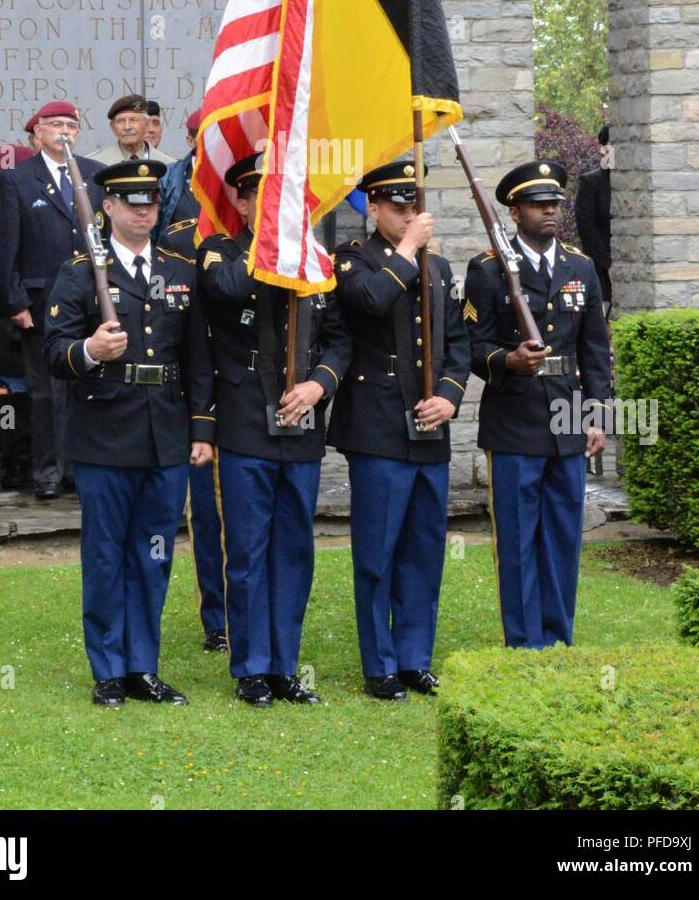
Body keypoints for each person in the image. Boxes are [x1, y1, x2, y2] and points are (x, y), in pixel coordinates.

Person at [42, 159, 215, 708]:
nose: (144, 211)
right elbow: (52, 352)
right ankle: (109, 669)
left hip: (165, 432)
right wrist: (91, 350)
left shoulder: (179, 269)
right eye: (132, 203)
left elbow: (197, 358)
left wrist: (201, 428)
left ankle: (144, 666)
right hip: (105, 433)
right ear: (109, 208)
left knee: (155, 553)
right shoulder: (78, 272)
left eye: (151, 203)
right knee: (106, 554)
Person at [198, 153, 352, 707]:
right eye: (257, 194)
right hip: (244, 425)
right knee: (246, 550)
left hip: (302, 425)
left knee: (293, 548)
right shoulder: (220, 250)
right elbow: (226, 291)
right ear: (240, 202)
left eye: (281, 193)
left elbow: (338, 339)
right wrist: (272, 241)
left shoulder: (316, 260)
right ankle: (251, 667)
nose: (269, 202)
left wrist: (318, 385)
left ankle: (285, 664)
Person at [330, 160, 471, 701]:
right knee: (378, 551)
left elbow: (457, 341)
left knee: (423, 548)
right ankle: (380, 664)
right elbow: (369, 301)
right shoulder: (353, 260)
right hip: (379, 427)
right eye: (397, 205)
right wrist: (409, 248)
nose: (409, 213)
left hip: (429, 426)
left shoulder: (437, 267)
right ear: (374, 206)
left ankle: (414, 657)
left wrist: (450, 398)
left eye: (413, 204)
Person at [462, 158, 611, 650]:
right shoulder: (488, 269)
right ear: (514, 210)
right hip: (514, 419)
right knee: (520, 541)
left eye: (554, 204)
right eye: (538, 205)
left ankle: (558, 638)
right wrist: (508, 359)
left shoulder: (580, 266)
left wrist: (598, 414)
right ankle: (525, 644)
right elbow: (470, 347)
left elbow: (594, 350)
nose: (550, 212)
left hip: (567, 417)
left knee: (564, 539)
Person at [0, 102, 104, 499]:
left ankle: (78, 468)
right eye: (55, 124)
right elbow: (7, 247)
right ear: (38, 133)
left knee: (84, 388)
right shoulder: (18, 179)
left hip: (91, 301)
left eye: (71, 125)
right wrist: (16, 302)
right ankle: (46, 473)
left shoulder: (95, 175)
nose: (64, 131)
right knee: (45, 393)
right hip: (40, 301)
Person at [157, 109, 227, 654]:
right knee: (206, 508)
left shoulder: (263, 219)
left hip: (257, 378)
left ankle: (254, 608)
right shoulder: (176, 217)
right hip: (198, 384)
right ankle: (218, 618)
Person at [575, 124, 612, 314]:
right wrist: (609, 265)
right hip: (601, 267)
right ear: (603, 148)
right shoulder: (591, 182)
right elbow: (587, 228)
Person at [89, 95, 174, 166]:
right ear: (113, 128)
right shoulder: (95, 163)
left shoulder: (168, 164)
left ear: (146, 124)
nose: (127, 127)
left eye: (133, 120)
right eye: (120, 121)